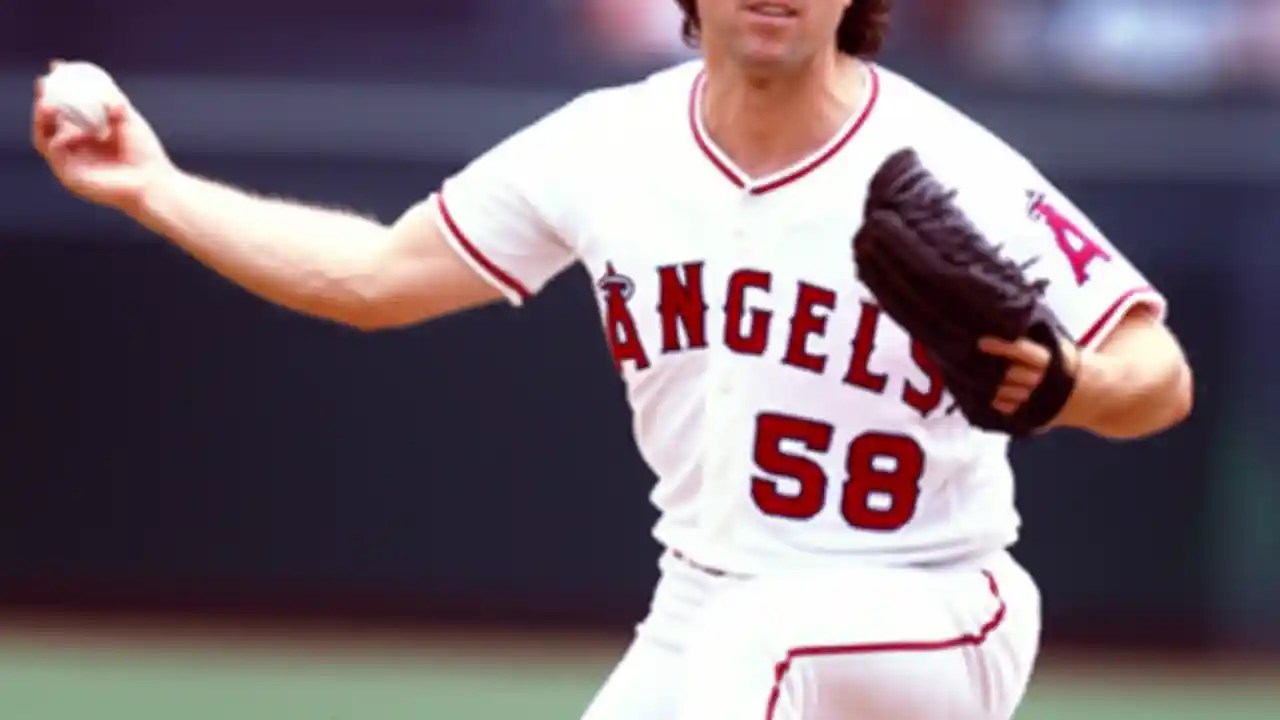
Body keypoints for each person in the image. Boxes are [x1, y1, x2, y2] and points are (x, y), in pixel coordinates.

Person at [31, 1, 1193, 717]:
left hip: (939, 608)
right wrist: (156, 190)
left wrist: (1070, 386)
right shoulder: (607, 147)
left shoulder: (941, 160)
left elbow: (1158, 373)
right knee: (743, 639)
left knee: (765, 641)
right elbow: (373, 278)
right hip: (703, 607)